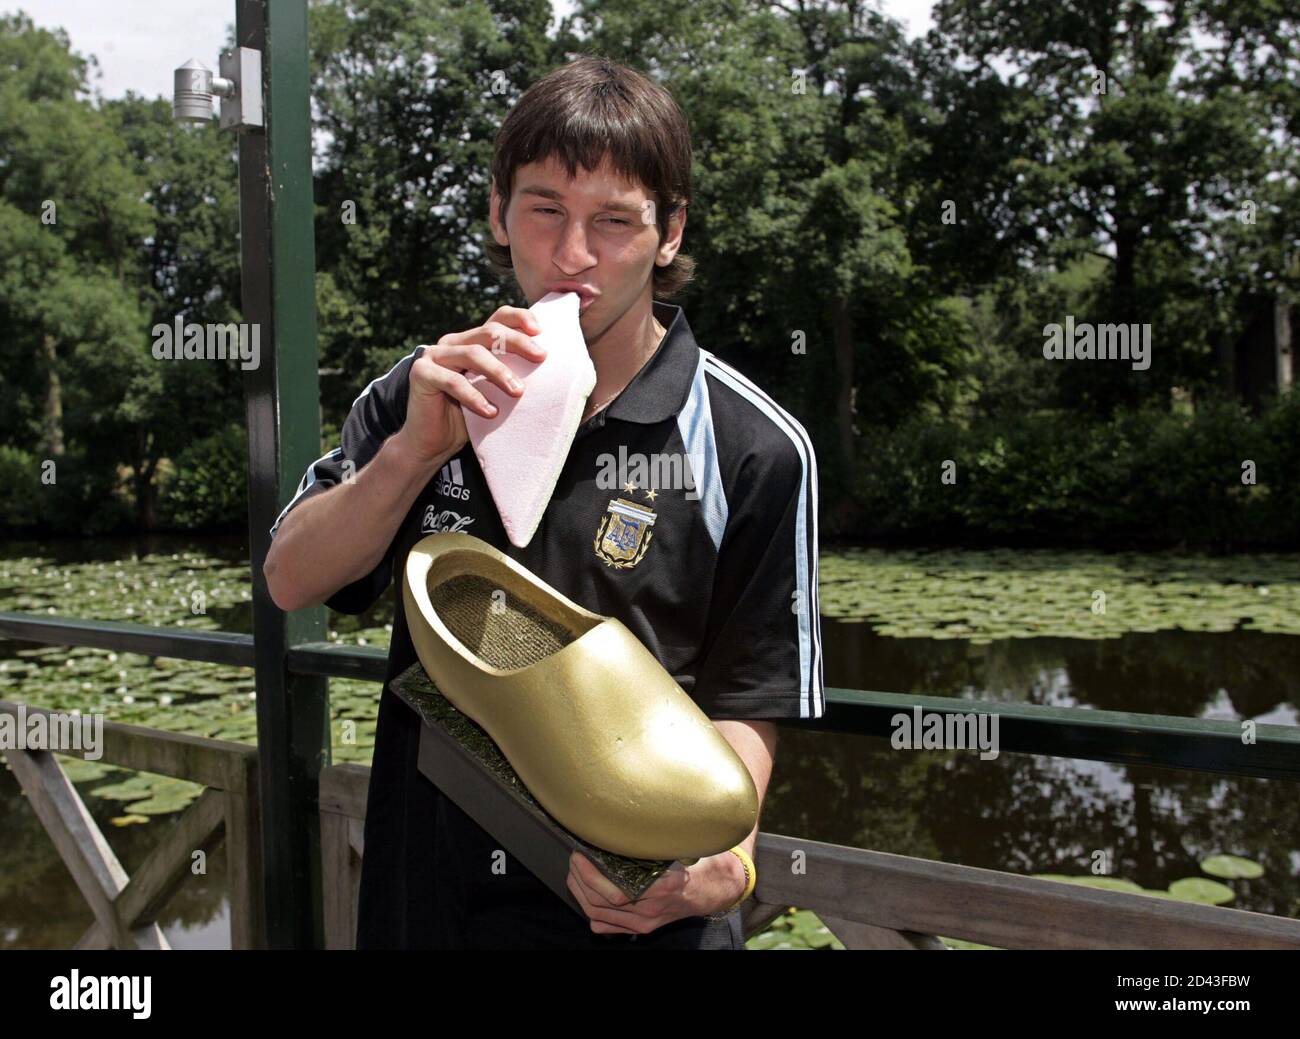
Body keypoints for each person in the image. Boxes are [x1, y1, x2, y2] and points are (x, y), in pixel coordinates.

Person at [264, 55, 825, 950]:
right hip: (426, 906)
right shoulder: (425, 388)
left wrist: (733, 862)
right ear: (497, 213)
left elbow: (748, 697)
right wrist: (413, 452)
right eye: (544, 210)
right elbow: (290, 578)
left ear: (670, 231)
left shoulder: (753, 444)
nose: (573, 257)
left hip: (634, 922)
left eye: (614, 221)